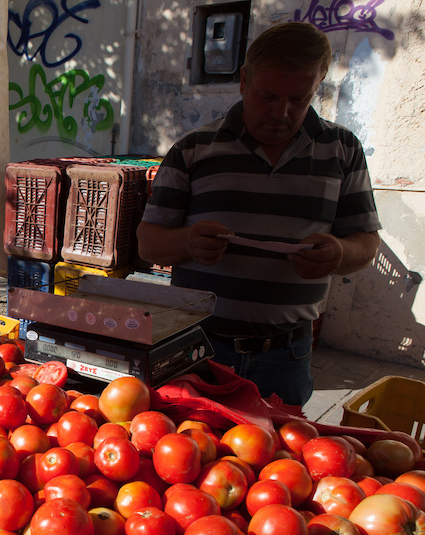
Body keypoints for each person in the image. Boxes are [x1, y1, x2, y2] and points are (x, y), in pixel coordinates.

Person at [137, 22, 381, 408]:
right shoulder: (193, 150)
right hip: (198, 346)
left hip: (286, 354)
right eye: (268, 96)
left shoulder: (343, 150)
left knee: (279, 462)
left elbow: (366, 243)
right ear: (244, 81)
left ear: (316, 87)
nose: (281, 113)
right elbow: (148, 242)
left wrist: (338, 252)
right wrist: (186, 241)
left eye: (299, 99)